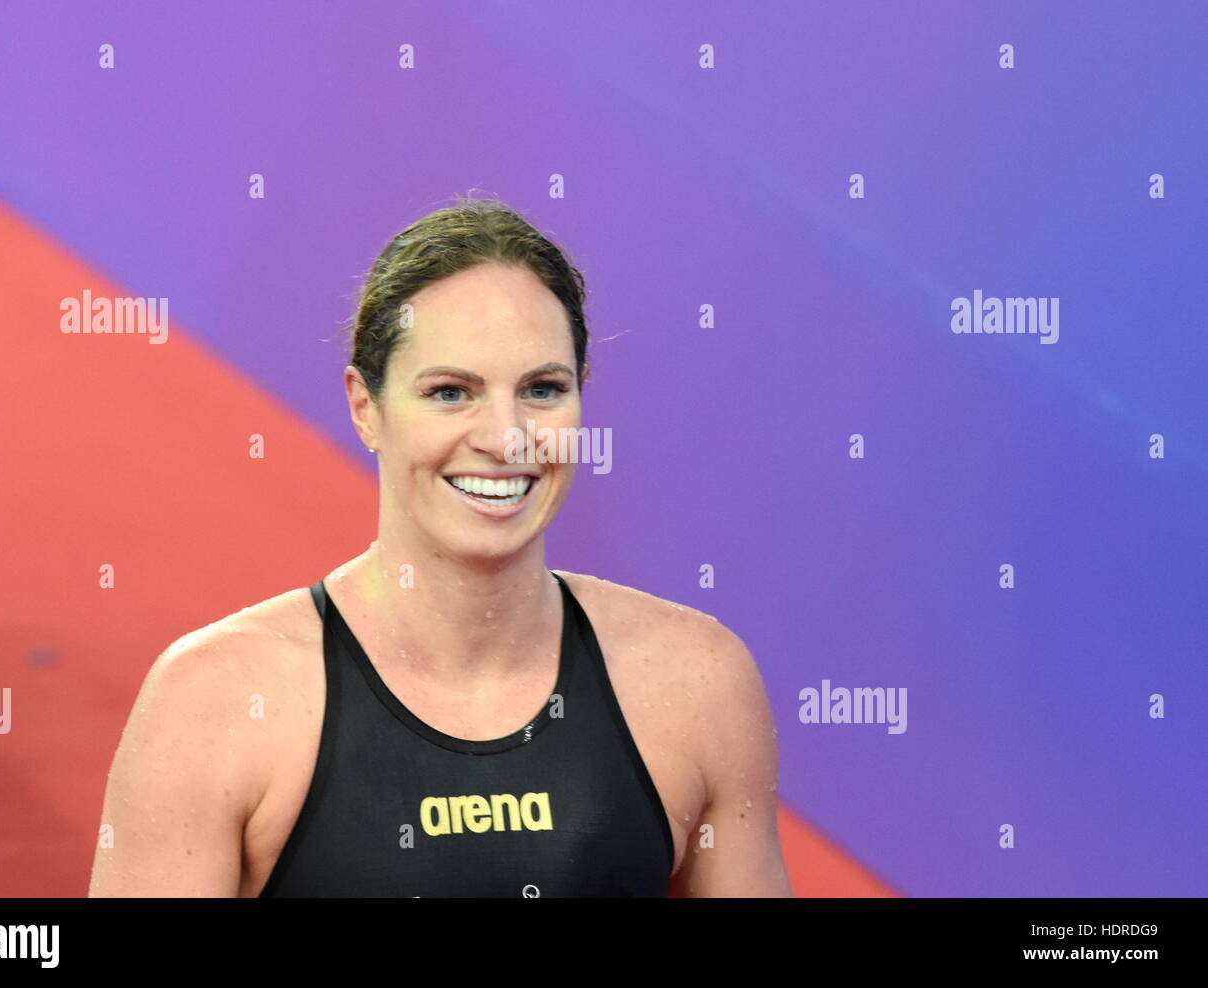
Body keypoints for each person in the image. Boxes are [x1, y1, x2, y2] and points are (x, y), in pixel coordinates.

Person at [88, 196, 793, 897]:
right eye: (452, 393)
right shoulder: (217, 701)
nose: (506, 437)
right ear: (366, 408)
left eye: (543, 389)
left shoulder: (696, 683)